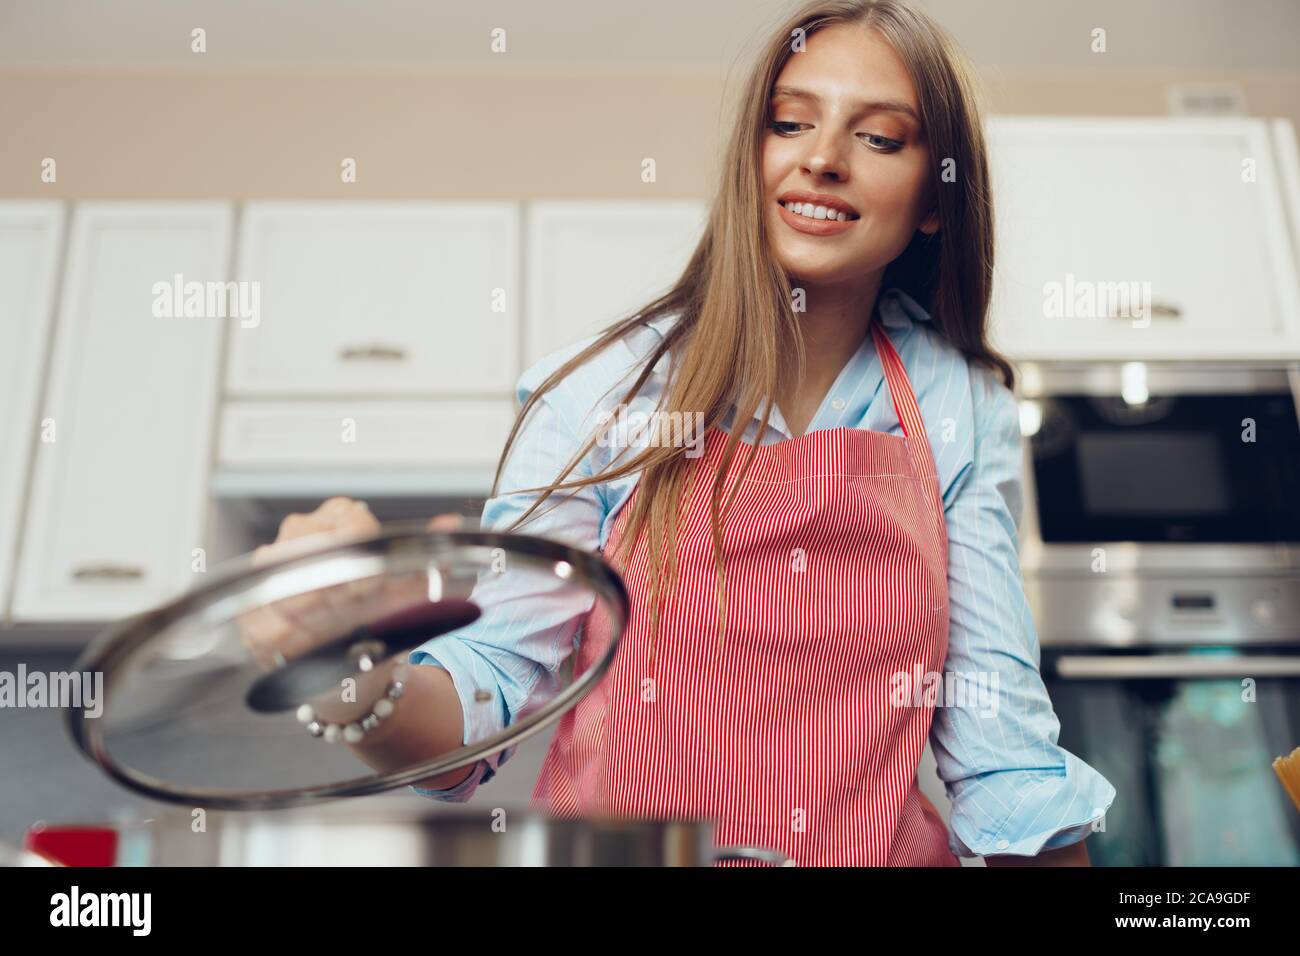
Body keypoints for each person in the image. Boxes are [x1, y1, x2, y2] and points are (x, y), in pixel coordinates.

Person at [245, 0, 1114, 866]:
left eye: (881, 138)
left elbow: (1005, 756)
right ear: (752, 154)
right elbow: (490, 694)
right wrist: (346, 670)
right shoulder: (599, 394)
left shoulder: (959, 407)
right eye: (789, 123)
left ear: (935, 199)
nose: (821, 158)